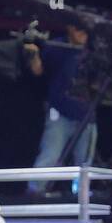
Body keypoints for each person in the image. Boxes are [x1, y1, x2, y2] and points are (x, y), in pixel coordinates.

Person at [24, 24, 95, 195]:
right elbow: (38, 70)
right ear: (70, 28)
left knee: (84, 163)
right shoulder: (57, 46)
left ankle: (81, 195)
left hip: (87, 115)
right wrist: (32, 54)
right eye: (78, 28)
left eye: (85, 29)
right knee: (50, 156)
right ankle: (35, 192)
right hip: (60, 112)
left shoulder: (95, 51)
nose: (82, 31)